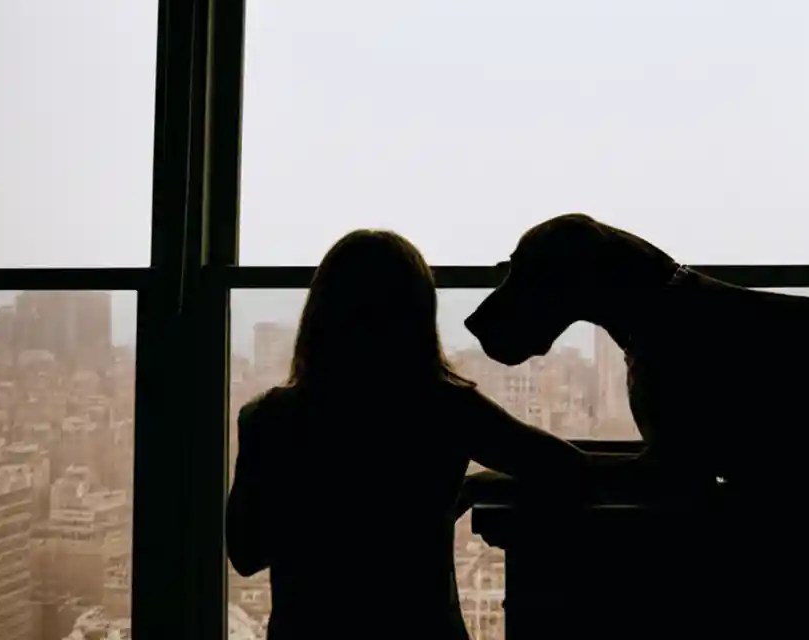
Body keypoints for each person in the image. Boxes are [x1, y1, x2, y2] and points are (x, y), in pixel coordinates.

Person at [226, 229, 591, 639]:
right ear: (417, 313)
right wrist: (477, 485)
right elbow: (565, 467)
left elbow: (245, 553)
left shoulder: (268, 418)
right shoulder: (447, 408)